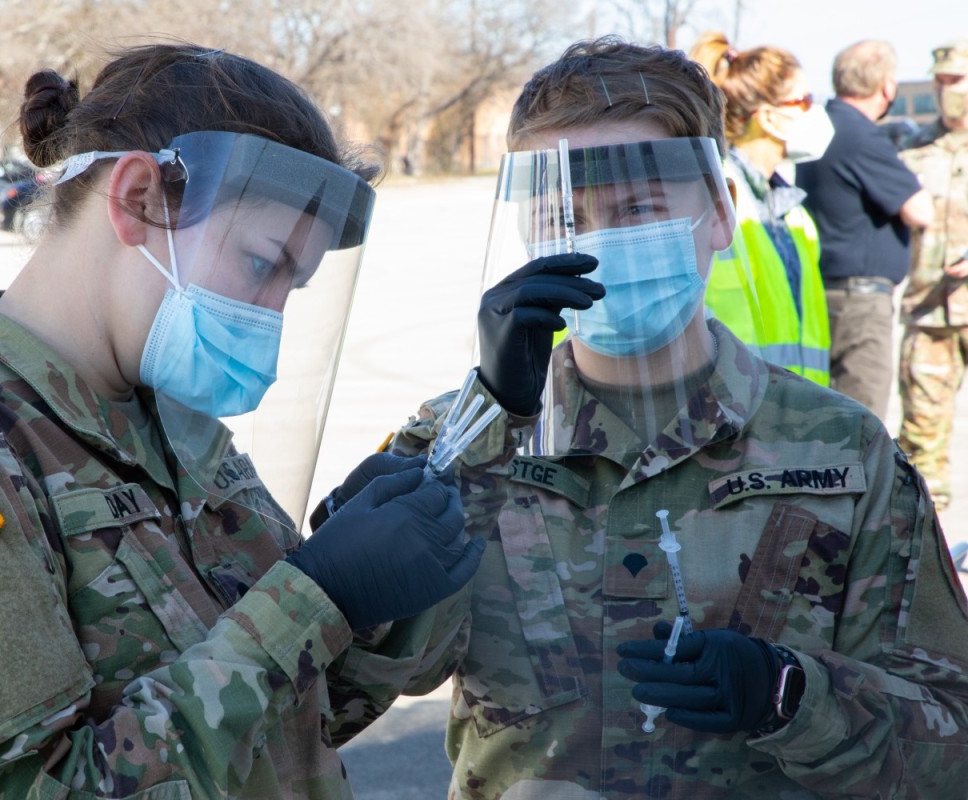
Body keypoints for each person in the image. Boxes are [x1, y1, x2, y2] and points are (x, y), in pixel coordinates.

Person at [0, 43, 484, 799]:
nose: (274, 312)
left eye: (297, 281)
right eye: (262, 263)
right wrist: (314, 597)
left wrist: (410, 509)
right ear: (137, 198)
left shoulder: (170, 425)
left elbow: (299, 716)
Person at [387, 36, 968, 798]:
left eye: (639, 208)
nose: (598, 240)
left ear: (722, 212)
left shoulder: (844, 451)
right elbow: (356, 676)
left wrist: (793, 696)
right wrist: (477, 435)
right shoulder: (453, 442)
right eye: (564, 215)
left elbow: (951, 745)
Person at [795, 40, 933, 420]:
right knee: (861, 421)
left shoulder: (815, 125)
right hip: (859, 300)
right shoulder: (861, 134)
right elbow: (920, 210)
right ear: (888, 87)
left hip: (819, 288)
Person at [690, 32, 832, 386]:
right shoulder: (716, 196)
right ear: (767, 118)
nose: (815, 111)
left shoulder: (793, 210)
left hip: (795, 413)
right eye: (804, 100)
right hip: (731, 411)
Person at [898, 38, 968, 514]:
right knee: (921, 443)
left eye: (956, 81)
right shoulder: (913, 148)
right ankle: (934, 556)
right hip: (929, 314)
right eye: (940, 81)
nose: (946, 91)